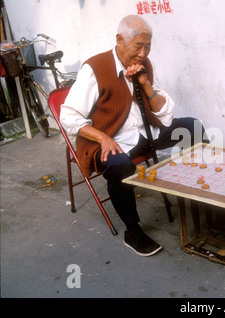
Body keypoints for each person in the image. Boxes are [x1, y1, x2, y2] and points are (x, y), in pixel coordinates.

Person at [61, 15, 208, 257]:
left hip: (144, 133)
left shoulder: (145, 65)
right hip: (110, 140)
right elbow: (69, 116)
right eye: (137, 46)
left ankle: (201, 192)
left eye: (147, 46)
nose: (143, 53)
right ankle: (133, 230)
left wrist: (145, 84)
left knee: (192, 127)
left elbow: (165, 113)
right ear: (119, 40)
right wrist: (103, 138)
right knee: (119, 165)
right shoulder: (95, 68)